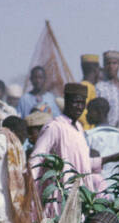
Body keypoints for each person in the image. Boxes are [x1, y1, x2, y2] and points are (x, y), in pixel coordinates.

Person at [31, 83, 104, 213]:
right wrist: (31, 194)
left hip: (79, 196)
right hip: (59, 197)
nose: (79, 107)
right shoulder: (55, 127)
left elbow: (83, 162)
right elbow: (36, 160)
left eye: (83, 103)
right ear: (67, 101)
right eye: (76, 102)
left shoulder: (79, 129)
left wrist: (115, 157)